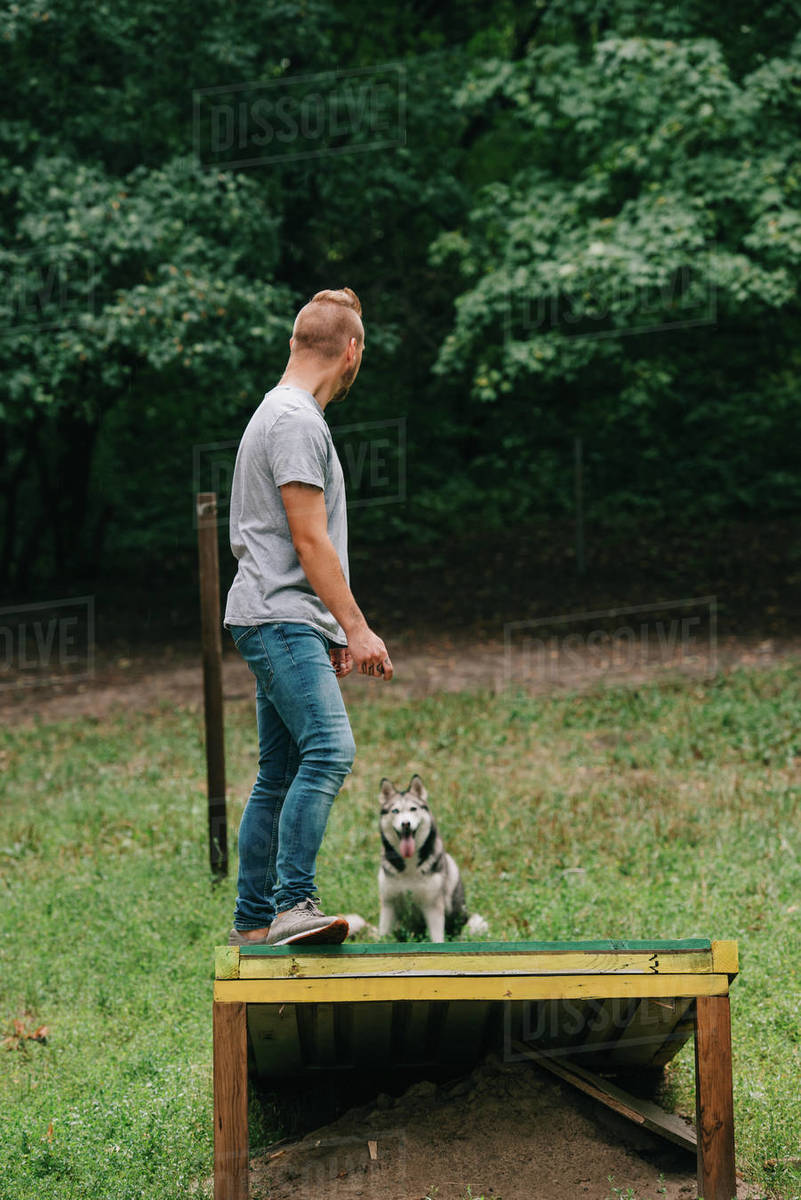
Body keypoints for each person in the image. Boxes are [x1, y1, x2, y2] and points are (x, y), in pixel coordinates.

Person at [223, 287, 393, 947]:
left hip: (278, 615)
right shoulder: (295, 420)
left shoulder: (281, 412)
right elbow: (308, 540)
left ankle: (251, 922)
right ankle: (293, 904)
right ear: (350, 352)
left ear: (297, 343)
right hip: (279, 614)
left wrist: (327, 630)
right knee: (330, 750)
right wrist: (354, 627)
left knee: (282, 770)